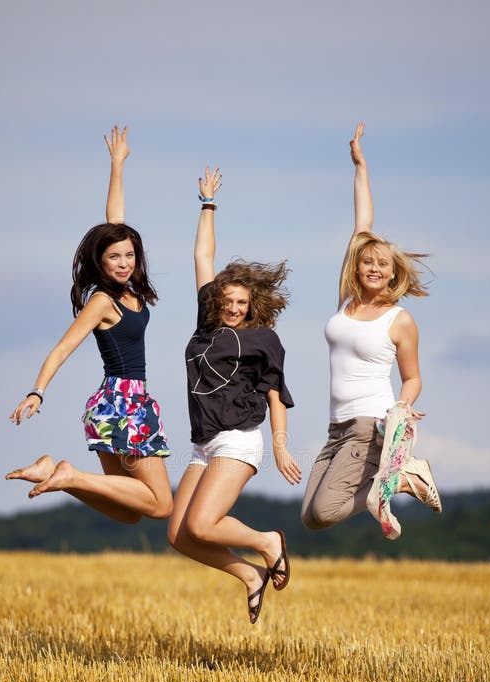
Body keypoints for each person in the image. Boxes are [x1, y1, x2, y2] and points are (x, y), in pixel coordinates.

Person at [6, 126, 173, 525]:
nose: (123, 262)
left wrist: (117, 164)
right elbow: (63, 347)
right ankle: (71, 474)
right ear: (100, 263)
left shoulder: (128, 287)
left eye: (129, 255)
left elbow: (114, 221)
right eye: (114, 257)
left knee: (130, 513)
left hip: (115, 407)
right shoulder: (102, 301)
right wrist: (37, 392)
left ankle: (57, 474)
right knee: (161, 504)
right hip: (123, 404)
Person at [167, 166, 301, 624]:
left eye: (241, 303)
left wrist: (280, 446)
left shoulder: (263, 340)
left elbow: (275, 393)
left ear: (251, 305)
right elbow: (203, 256)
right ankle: (248, 574)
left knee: (203, 525)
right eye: (227, 300)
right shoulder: (207, 324)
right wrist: (207, 205)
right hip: (203, 441)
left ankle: (268, 542)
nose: (232, 307)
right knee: (180, 535)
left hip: (238, 438)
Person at [301, 122, 441, 533]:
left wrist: (402, 405)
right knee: (311, 517)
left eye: (383, 264)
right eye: (368, 262)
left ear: (393, 271)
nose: (374, 268)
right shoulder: (346, 300)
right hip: (336, 425)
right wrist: (360, 166)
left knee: (327, 511)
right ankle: (392, 480)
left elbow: (413, 377)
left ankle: (398, 477)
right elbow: (362, 225)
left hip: (369, 425)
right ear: (358, 267)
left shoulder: (399, 320)